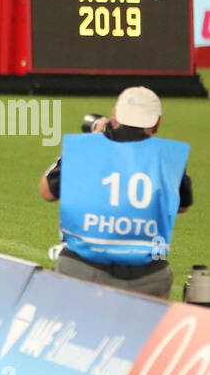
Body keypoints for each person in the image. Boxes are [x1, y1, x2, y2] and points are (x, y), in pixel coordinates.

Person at [39, 87, 193, 299]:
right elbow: (182, 205)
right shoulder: (167, 156)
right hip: (148, 278)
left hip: (82, 269)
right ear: (157, 123)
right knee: (158, 285)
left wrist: (92, 141)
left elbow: (47, 192)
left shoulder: (86, 148)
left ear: (115, 115)